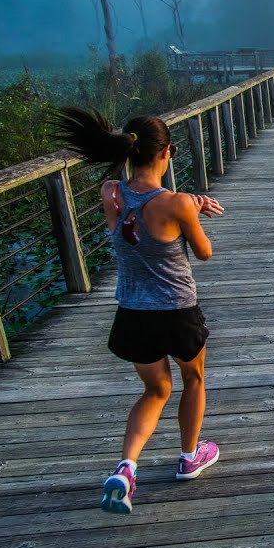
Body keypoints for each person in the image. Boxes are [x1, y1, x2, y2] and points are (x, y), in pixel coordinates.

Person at [51, 108, 225, 514]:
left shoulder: (111, 192)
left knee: (154, 390)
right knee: (193, 379)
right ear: (166, 152)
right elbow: (204, 253)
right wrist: (191, 212)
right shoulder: (177, 202)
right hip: (177, 312)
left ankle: (126, 469)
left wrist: (183, 210)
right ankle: (188, 457)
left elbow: (138, 222)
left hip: (132, 314)